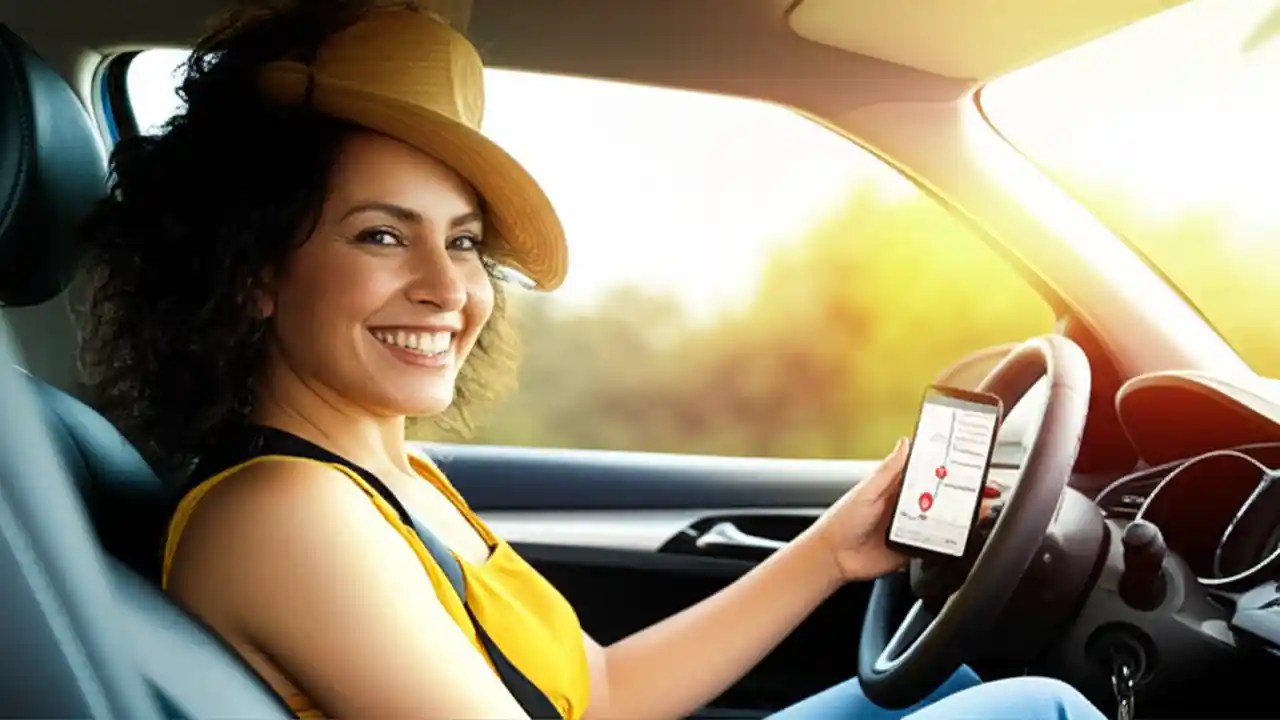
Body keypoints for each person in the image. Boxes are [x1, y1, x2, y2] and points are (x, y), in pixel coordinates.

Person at [75, 1, 1108, 718]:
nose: (449, 287)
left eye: (464, 240)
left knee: (958, 688)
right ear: (254, 274)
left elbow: (594, 696)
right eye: (381, 236)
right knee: (1043, 708)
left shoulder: (389, 478)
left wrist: (833, 550)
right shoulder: (282, 514)